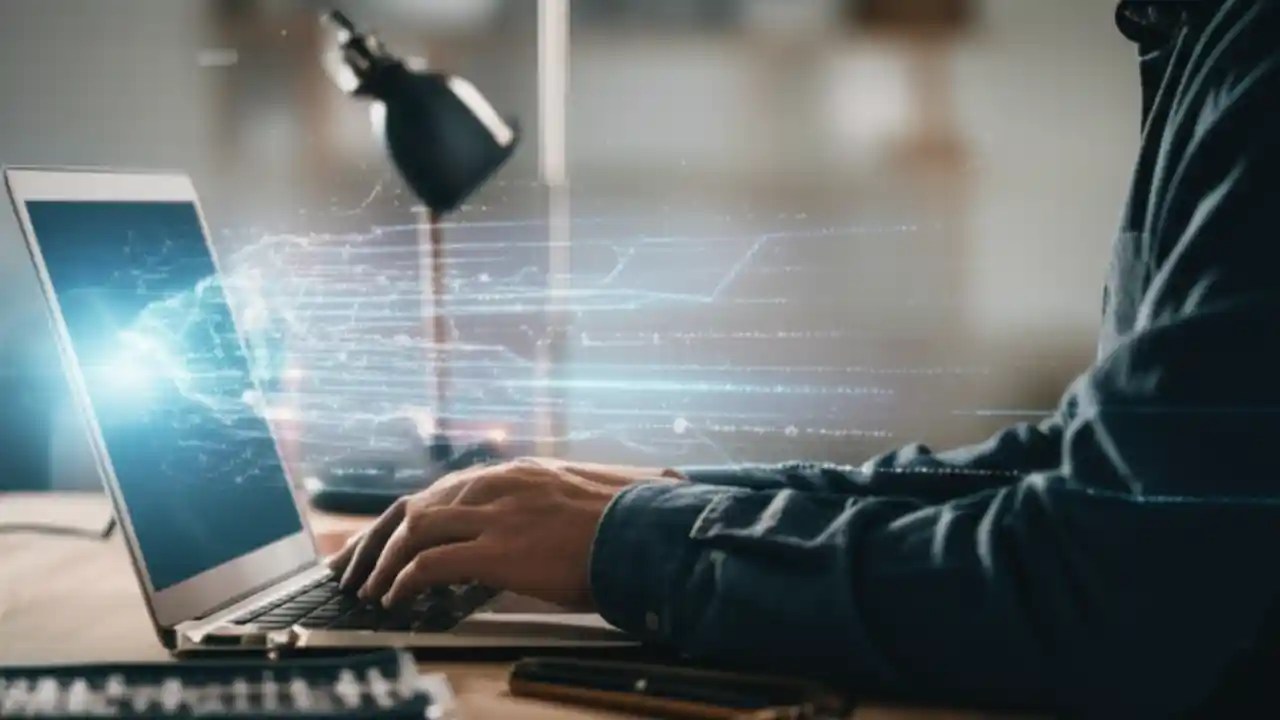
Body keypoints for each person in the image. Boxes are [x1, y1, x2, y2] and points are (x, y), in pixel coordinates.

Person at [330, 1, 1280, 714]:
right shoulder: (1211, 36)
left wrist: (636, 542)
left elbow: (1107, 579)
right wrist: (659, 499)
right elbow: (1086, 471)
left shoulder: (1257, 61)